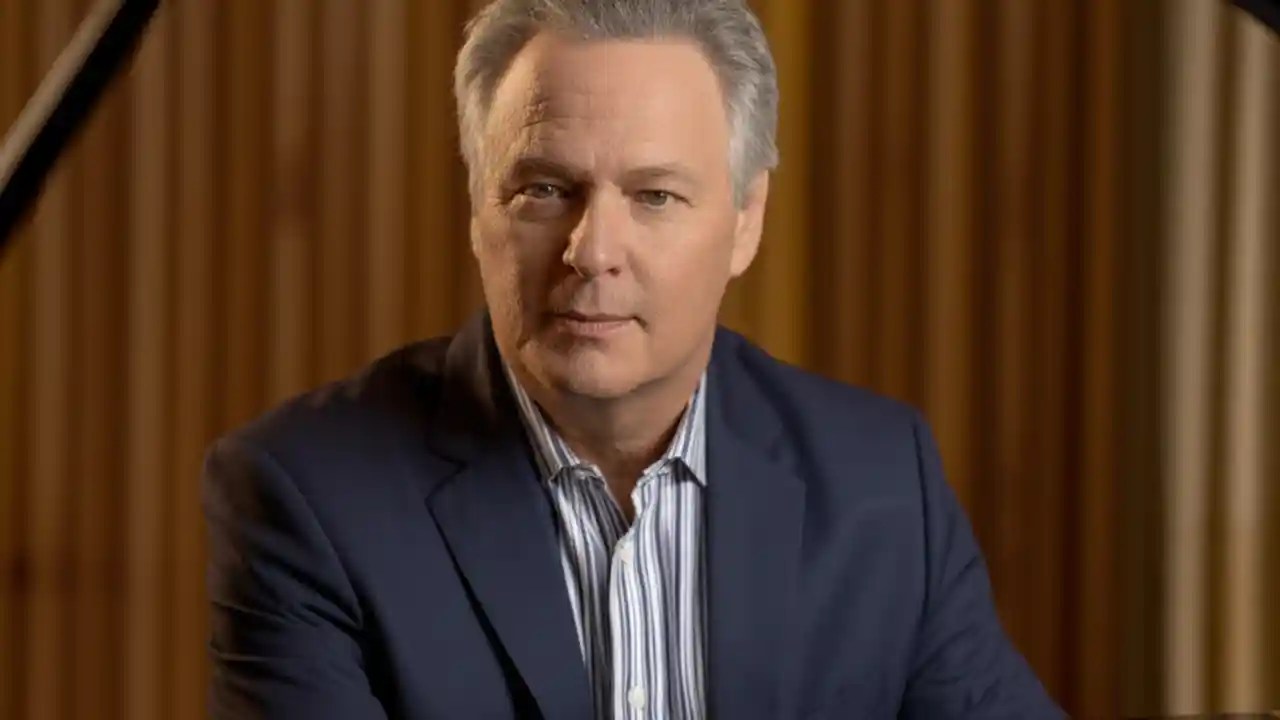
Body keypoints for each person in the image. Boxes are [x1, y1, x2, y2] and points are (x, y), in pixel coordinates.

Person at [202, 1, 1065, 717]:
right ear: (477, 210)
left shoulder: (880, 481)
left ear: (746, 221)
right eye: (545, 189)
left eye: (654, 195)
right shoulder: (308, 497)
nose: (592, 250)